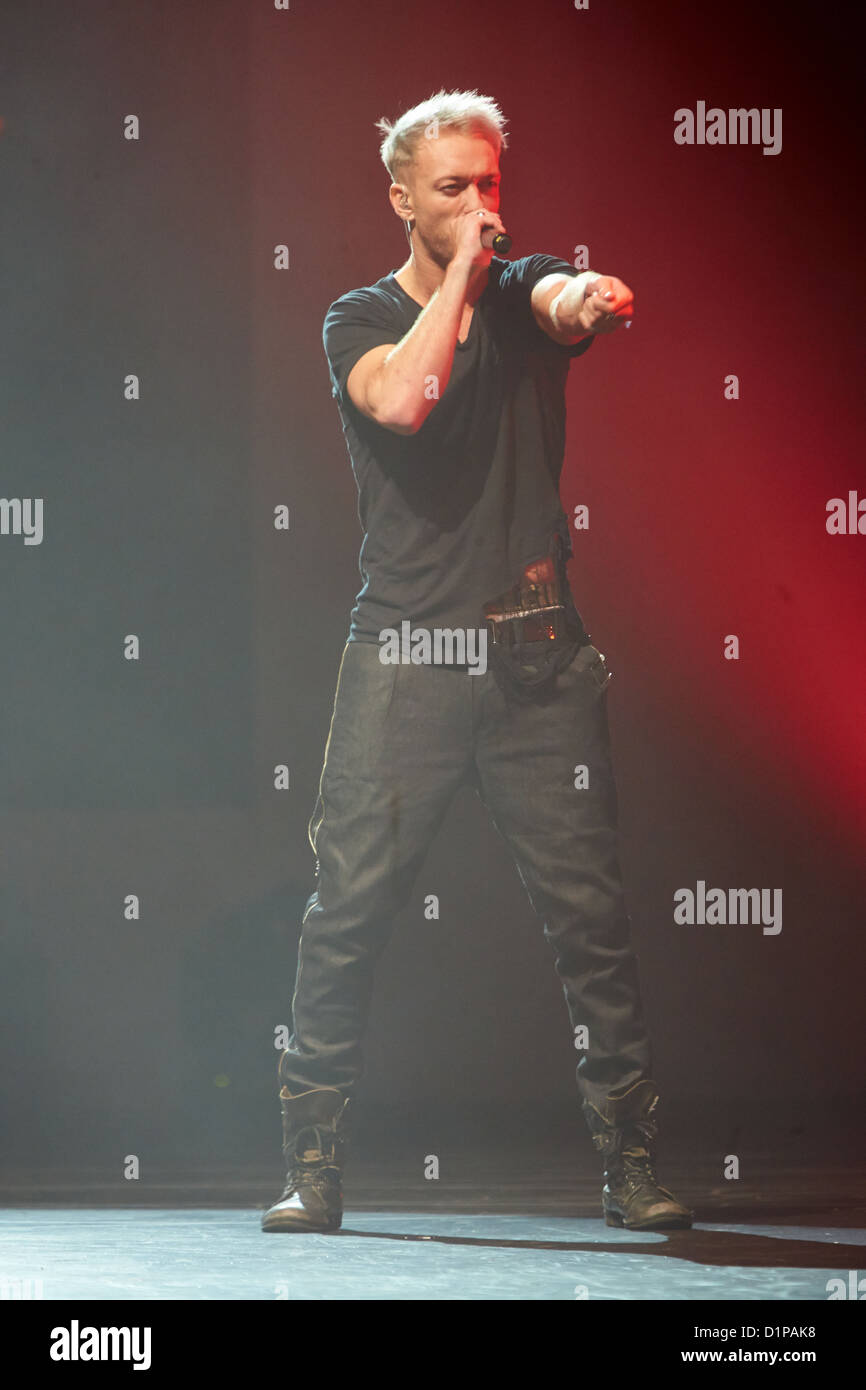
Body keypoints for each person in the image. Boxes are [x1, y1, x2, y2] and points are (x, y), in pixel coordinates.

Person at [262, 88, 692, 1234]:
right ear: (401, 196)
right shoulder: (354, 317)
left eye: (489, 186)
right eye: (452, 190)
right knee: (346, 911)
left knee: (588, 920)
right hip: (402, 655)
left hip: (536, 659)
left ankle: (630, 1161)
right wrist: (457, 273)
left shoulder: (514, 286)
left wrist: (578, 294)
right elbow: (404, 401)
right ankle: (312, 1160)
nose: (477, 211)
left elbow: (554, 302)